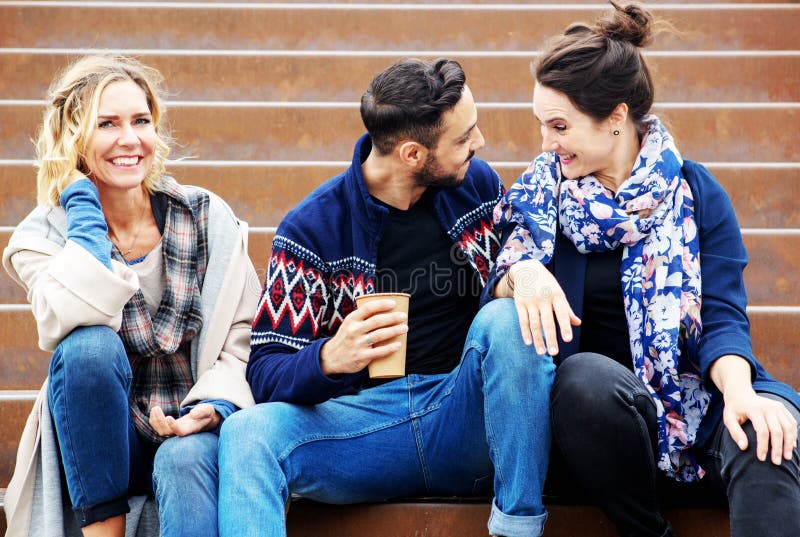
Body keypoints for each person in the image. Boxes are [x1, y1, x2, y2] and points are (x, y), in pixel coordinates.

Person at [488, 4, 800, 536]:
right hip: (598, 435)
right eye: (541, 125)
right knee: (583, 379)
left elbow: (723, 319)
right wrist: (523, 274)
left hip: (696, 402)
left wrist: (743, 394)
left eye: (559, 126)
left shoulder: (697, 193)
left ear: (615, 118)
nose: (544, 144)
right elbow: (494, 303)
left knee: (765, 435)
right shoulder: (540, 198)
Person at [217, 58, 555, 537]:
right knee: (246, 435)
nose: (479, 144)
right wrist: (331, 358)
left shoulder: (476, 187)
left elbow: (527, 252)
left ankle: (518, 528)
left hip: (469, 415)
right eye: (463, 138)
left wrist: (521, 269)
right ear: (414, 154)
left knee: (506, 319)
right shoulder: (313, 228)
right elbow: (266, 373)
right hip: (368, 427)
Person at [2, 54, 261, 537]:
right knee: (88, 347)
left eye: (140, 120)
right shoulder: (42, 240)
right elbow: (78, 311)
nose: (129, 138)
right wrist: (82, 207)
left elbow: (246, 332)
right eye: (107, 124)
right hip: (102, 443)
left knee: (185, 461)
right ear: (75, 141)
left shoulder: (204, 217)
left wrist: (213, 406)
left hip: (190, 426)